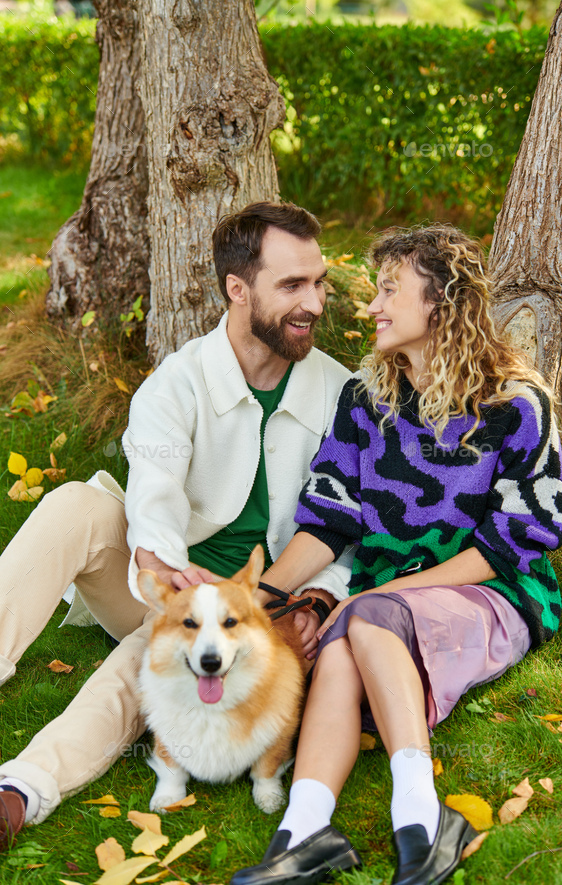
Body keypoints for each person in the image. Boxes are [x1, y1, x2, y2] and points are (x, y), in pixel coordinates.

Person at [0, 201, 354, 851]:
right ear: (237, 289)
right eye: (293, 285)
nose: (316, 302)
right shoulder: (177, 383)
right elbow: (154, 493)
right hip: (158, 578)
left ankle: (20, 789)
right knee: (74, 503)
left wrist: (315, 593)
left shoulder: (342, 393)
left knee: (148, 654)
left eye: (319, 281)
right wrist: (157, 562)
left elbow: (347, 523)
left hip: (256, 612)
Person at [231, 223, 562, 885]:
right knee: (340, 641)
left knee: (365, 617)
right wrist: (250, 604)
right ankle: (305, 833)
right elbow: (328, 522)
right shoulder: (365, 401)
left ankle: (421, 813)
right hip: (379, 610)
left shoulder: (516, 404)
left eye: (389, 289)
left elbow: (510, 544)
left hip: (495, 594)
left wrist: (376, 598)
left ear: (441, 302)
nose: (372, 305)